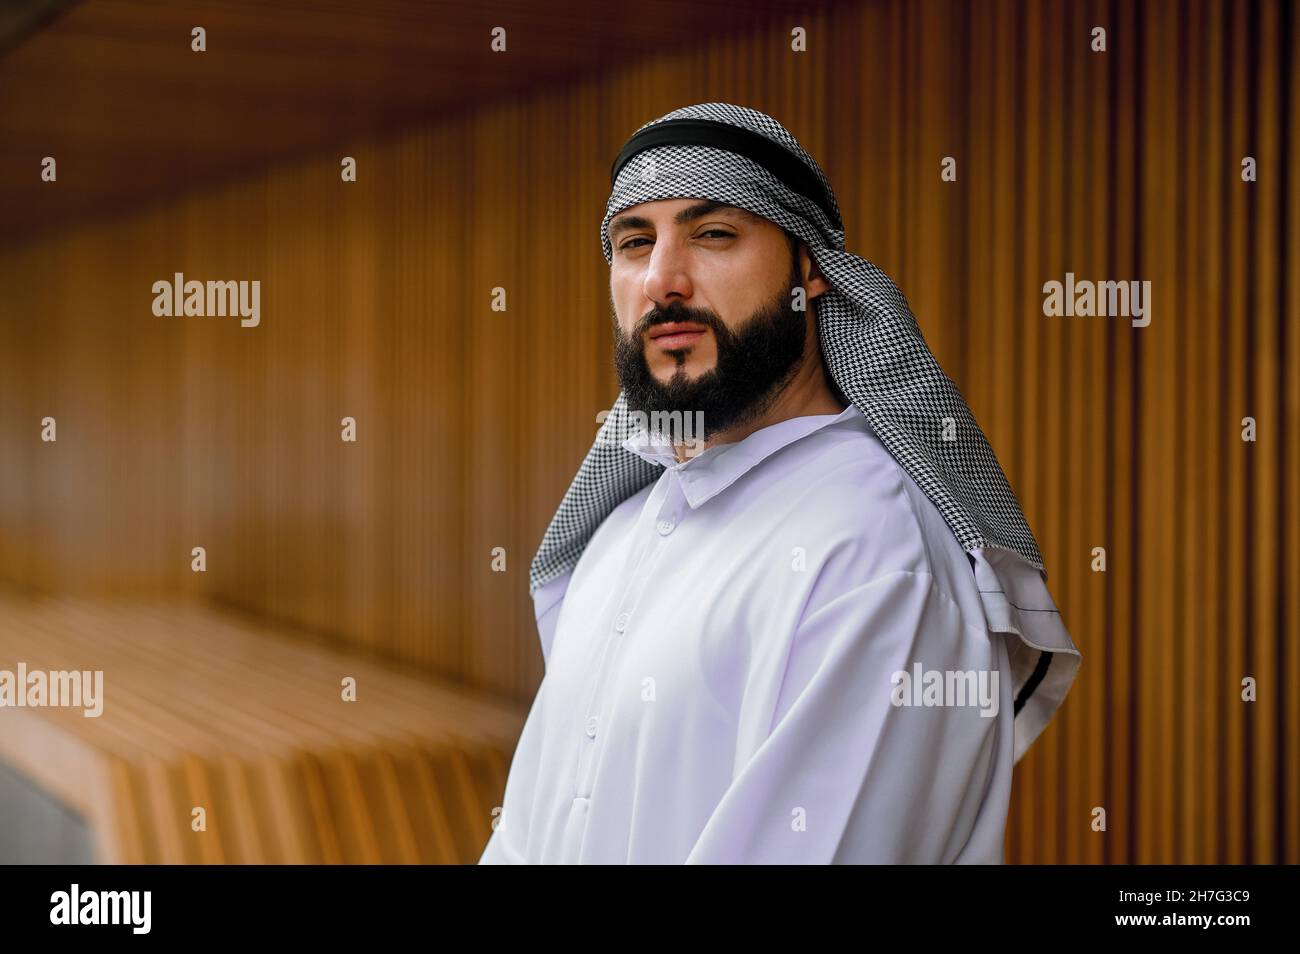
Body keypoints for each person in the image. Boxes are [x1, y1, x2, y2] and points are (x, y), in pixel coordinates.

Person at [479, 103, 1080, 864]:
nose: (663, 278)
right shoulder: (621, 529)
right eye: (635, 243)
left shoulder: (872, 547)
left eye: (713, 234)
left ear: (811, 273)